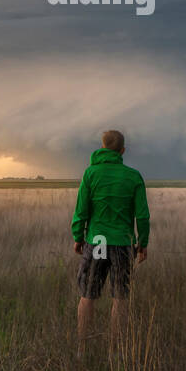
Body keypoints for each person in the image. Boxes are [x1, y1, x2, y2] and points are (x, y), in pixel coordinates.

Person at [71, 129, 149, 354]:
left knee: (88, 295)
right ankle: (116, 350)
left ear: (102, 147)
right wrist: (142, 244)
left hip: (96, 241)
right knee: (121, 297)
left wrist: (79, 238)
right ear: (122, 151)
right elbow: (142, 216)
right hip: (123, 243)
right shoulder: (133, 176)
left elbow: (81, 212)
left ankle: (82, 348)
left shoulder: (90, 174)